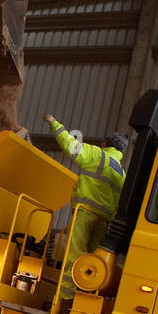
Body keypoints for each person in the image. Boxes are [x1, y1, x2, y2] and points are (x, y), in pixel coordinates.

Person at [43, 114, 128, 298]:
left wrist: (54, 123)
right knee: (92, 260)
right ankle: (84, 296)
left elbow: (71, 146)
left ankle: (65, 298)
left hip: (85, 213)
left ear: (105, 144)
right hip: (104, 222)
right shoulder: (121, 173)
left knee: (74, 255)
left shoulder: (98, 156)